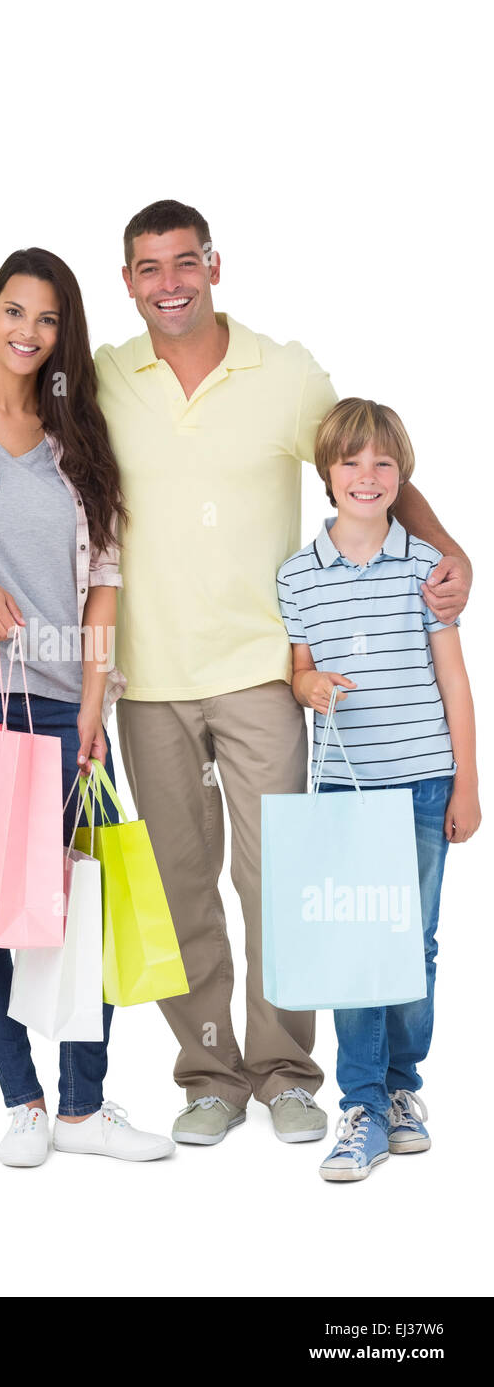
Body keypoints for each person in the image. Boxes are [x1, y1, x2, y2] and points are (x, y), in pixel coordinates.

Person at [0, 200, 472, 1150]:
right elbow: (0, 407)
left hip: (261, 670)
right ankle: (209, 1076)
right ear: (127, 282)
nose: (170, 283)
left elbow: (365, 465)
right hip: (145, 681)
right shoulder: (104, 379)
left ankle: (286, 1072)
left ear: (214, 265)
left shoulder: (285, 373)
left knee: (277, 880)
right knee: (179, 889)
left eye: (185, 262)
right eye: (150, 268)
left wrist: (448, 552)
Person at [0, 246, 174, 1167]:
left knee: (86, 898)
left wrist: (93, 702)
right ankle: (24, 1100)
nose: (28, 332)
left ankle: (84, 1111)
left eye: (48, 319)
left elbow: (105, 582)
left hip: (65, 702)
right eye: (15, 311)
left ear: (63, 333)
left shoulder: (80, 434)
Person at [277, 398, 480, 1181]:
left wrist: (467, 782)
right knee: (356, 946)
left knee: (414, 944)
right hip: (344, 791)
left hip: (425, 786)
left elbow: (454, 680)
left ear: (402, 475)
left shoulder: (426, 567)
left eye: (383, 463)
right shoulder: (298, 575)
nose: (368, 476)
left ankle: (401, 1086)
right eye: (351, 462)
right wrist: (308, 686)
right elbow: (299, 671)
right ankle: (360, 1103)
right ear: (327, 474)